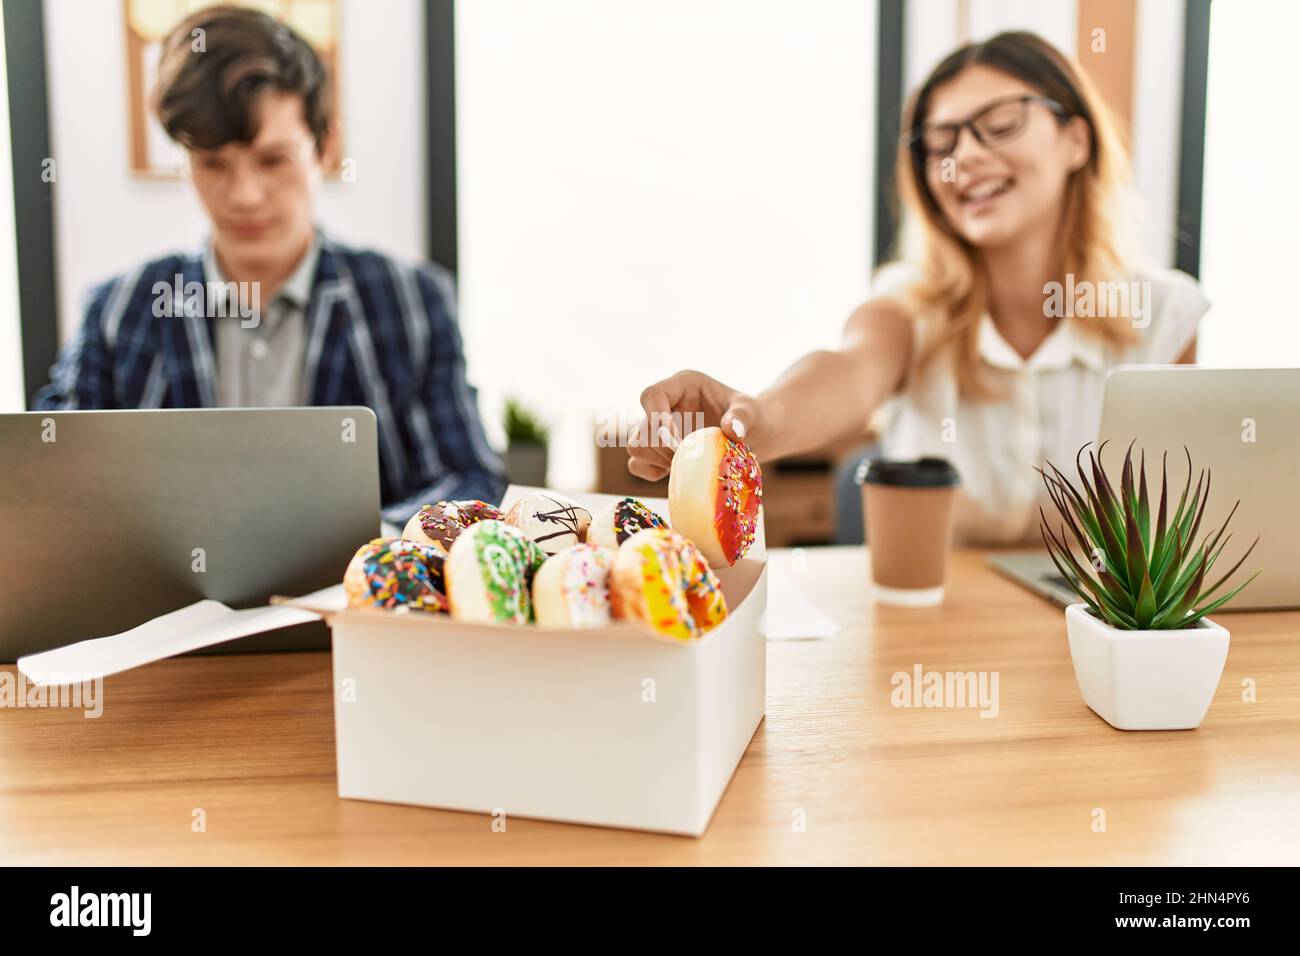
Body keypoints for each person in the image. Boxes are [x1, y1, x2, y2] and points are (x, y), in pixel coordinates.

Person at [629, 31, 1207, 545]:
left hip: (1099, 642)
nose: (968, 156)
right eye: (942, 143)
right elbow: (849, 373)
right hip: (934, 631)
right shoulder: (906, 309)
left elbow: (1187, 518)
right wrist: (755, 419)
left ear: (1076, 140)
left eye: (1001, 121)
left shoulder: (1162, 317)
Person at [33, 5, 504, 526]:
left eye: (272, 160)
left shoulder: (411, 301)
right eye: (212, 164)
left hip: (352, 599)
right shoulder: (119, 310)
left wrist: (380, 539)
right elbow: (50, 482)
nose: (245, 196)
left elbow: (470, 478)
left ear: (325, 146)